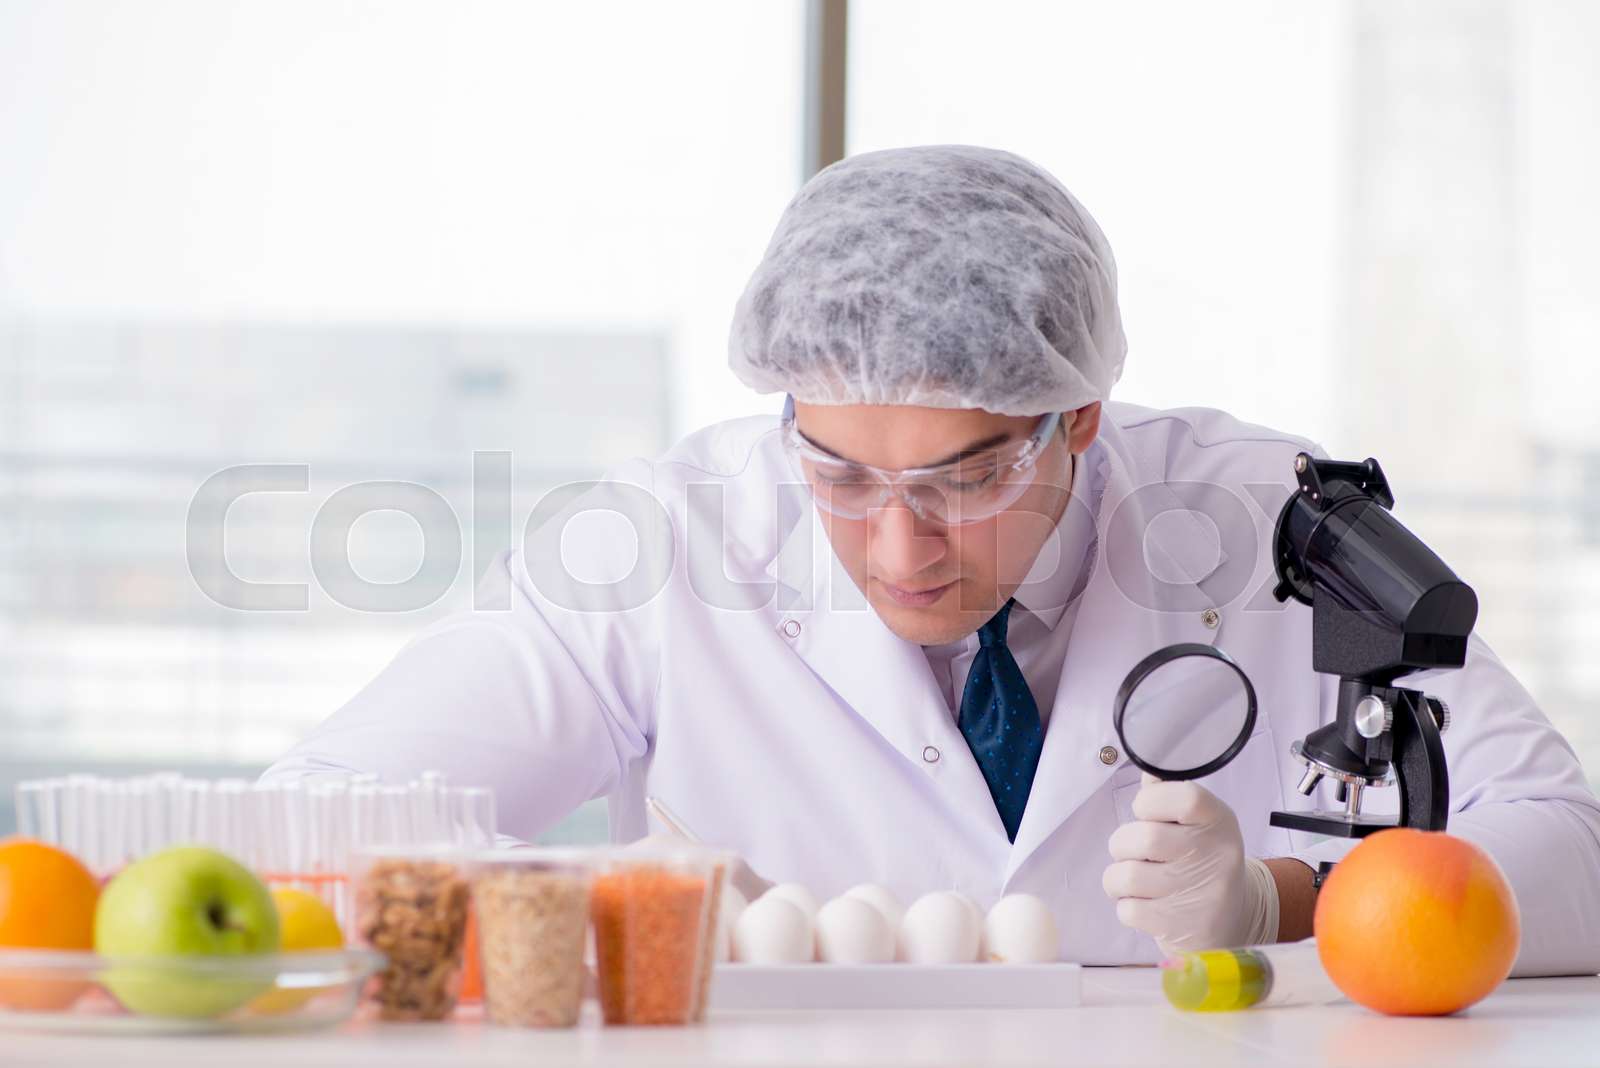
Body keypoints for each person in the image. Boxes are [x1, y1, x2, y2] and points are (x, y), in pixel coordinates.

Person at [264, 145, 1600, 971]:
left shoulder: (1265, 514)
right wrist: (595, 898)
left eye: (968, 476)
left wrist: (1283, 902)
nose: (897, 546)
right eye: (838, 471)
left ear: (1078, 412)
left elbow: (1574, 852)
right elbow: (313, 820)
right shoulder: (656, 543)